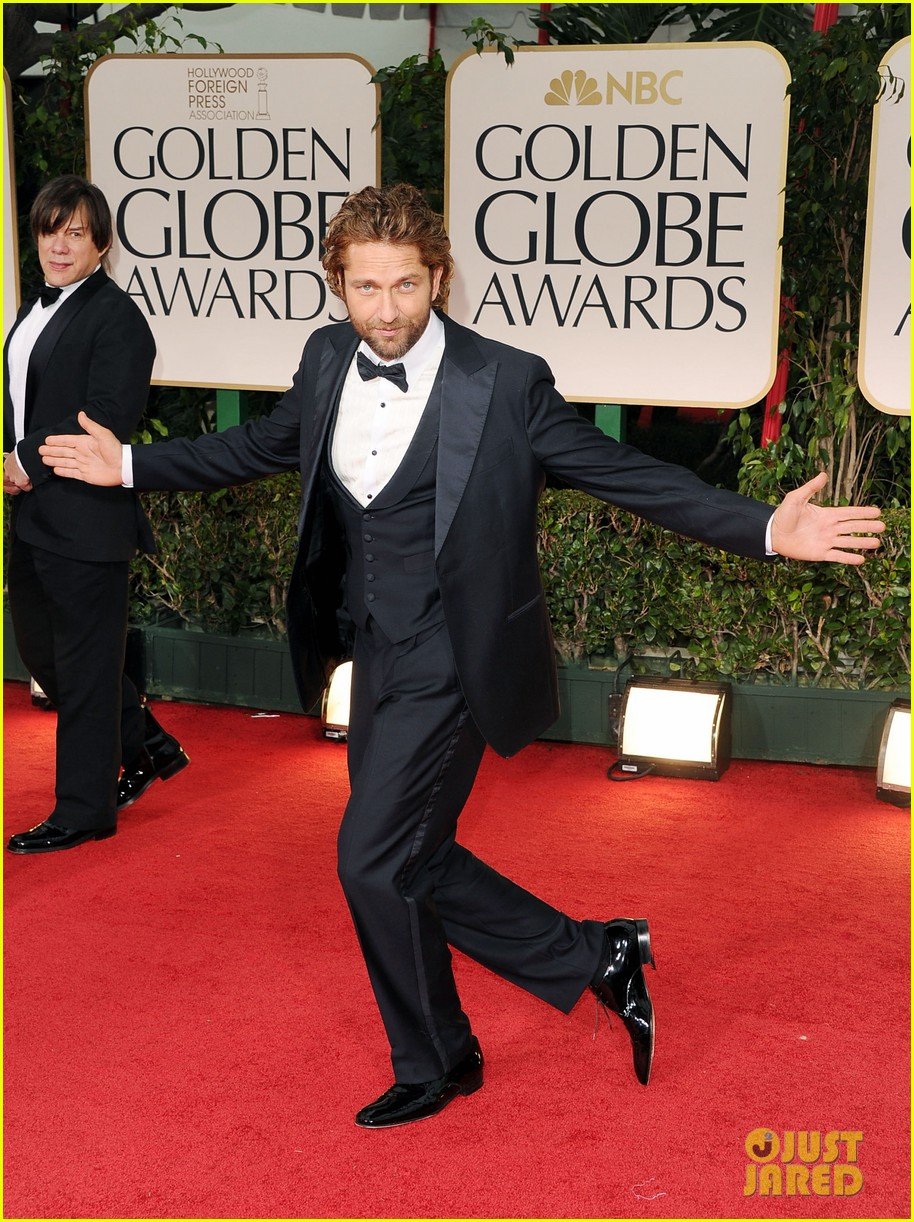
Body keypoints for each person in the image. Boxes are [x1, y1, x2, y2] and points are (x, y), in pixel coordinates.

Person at [39, 184, 884, 1126]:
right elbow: (266, 444)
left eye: (407, 285)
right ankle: (577, 966)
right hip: (371, 652)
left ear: (439, 279)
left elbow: (624, 475)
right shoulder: (325, 360)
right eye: (366, 287)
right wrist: (127, 465)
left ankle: (444, 1051)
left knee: (369, 860)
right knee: (412, 857)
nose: (387, 309)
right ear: (339, 287)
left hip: (456, 654)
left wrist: (766, 527)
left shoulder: (504, 381)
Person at [3, 175, 189, 857]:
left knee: (80, 670)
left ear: (102, 245)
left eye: (76, 232)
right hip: (35, 512)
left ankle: (84, 810)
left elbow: (107, 418)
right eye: (50, 229)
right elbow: (29, 397)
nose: (60, 243)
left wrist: (25, 458)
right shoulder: (37, 309)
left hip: (85, 517)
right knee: (46, 651)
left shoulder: (118, 320)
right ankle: (145, 742)